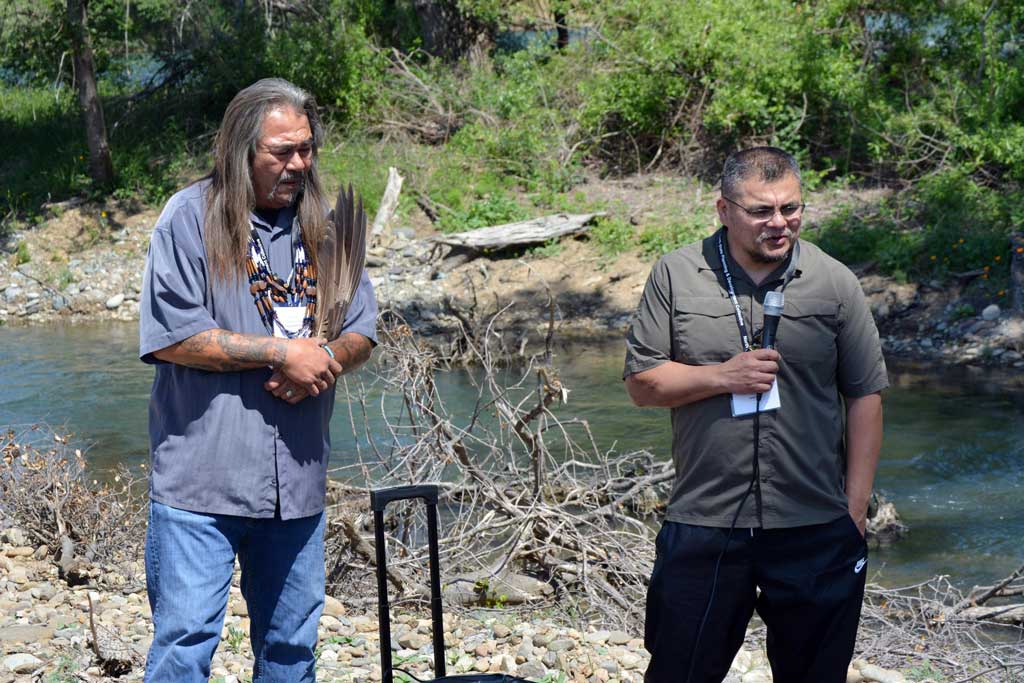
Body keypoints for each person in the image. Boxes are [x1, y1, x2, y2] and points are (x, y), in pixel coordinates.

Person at [138, 78, 377, 683]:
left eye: (306, 148)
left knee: (292, 653)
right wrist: (279, 353)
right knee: (185, 645)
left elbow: (362, 331)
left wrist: (322, 360)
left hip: (296, 488)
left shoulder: (324, 227)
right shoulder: (187, 218)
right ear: (240, 151)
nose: (299, 163)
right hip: (201, 487)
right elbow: (172, 336)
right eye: (281, 152)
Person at [624, 147, 886, 683]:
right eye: (761, 211)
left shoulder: (835, 283)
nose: (779, 223)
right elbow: (642, 385)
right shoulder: (676, 275)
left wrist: (853, 512)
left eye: (791, 209)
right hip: (706, 520)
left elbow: (865, 396)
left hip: (814, 523)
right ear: (723, 210)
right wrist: (721, 377)